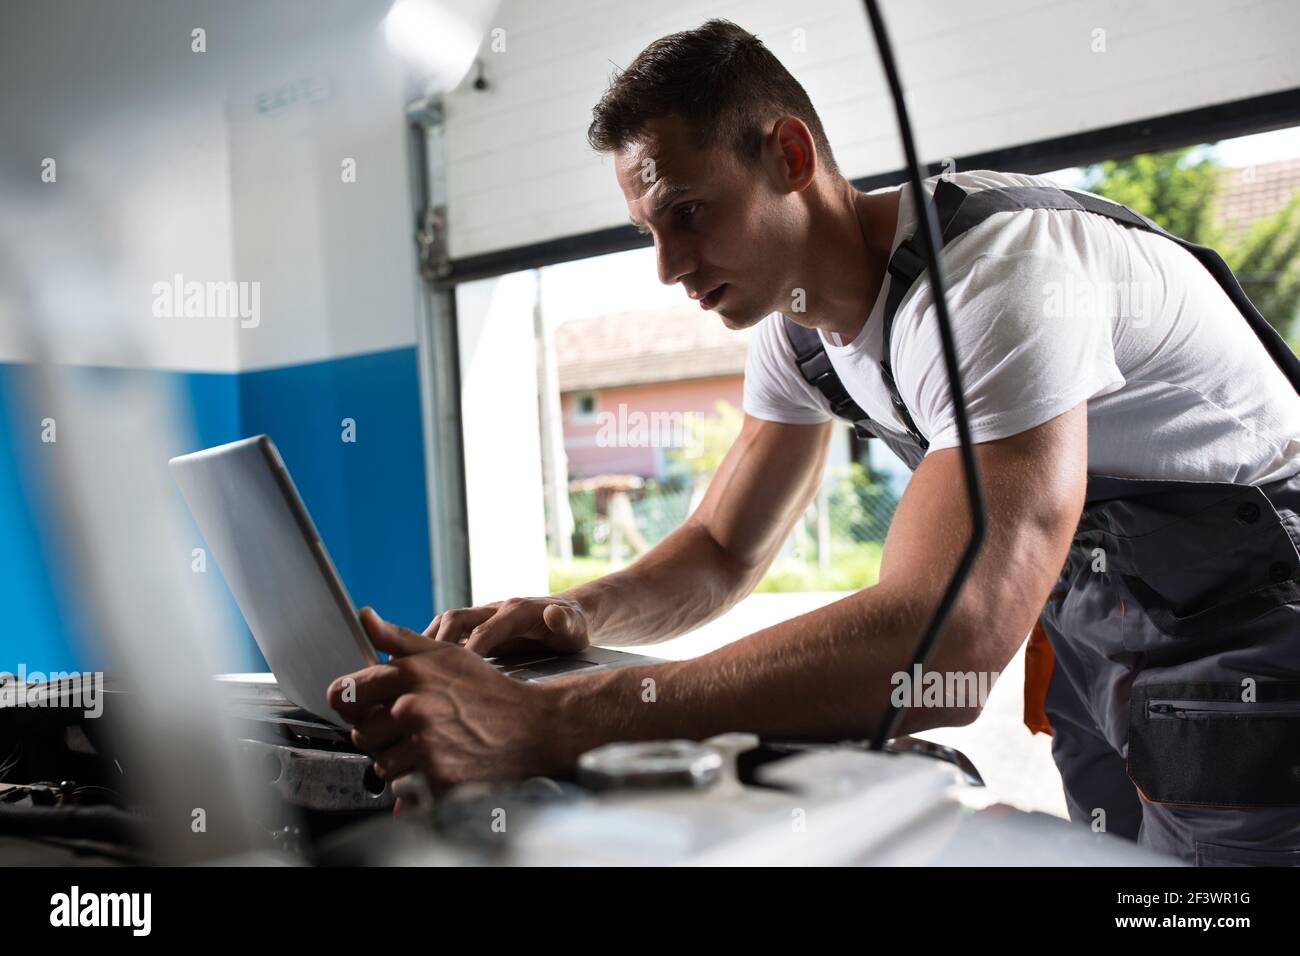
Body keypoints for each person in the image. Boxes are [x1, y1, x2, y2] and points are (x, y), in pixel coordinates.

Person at [329, 19, 1300, 865]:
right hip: (1105, 630)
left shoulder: (999, 282)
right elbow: (719, 550)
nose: (668, 267)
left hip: (1256, 621)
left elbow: (948, 633)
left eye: (689, 214)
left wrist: (550, 721)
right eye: (647, 231)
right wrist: (568, 614)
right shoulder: (799, 332)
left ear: (789, 157)